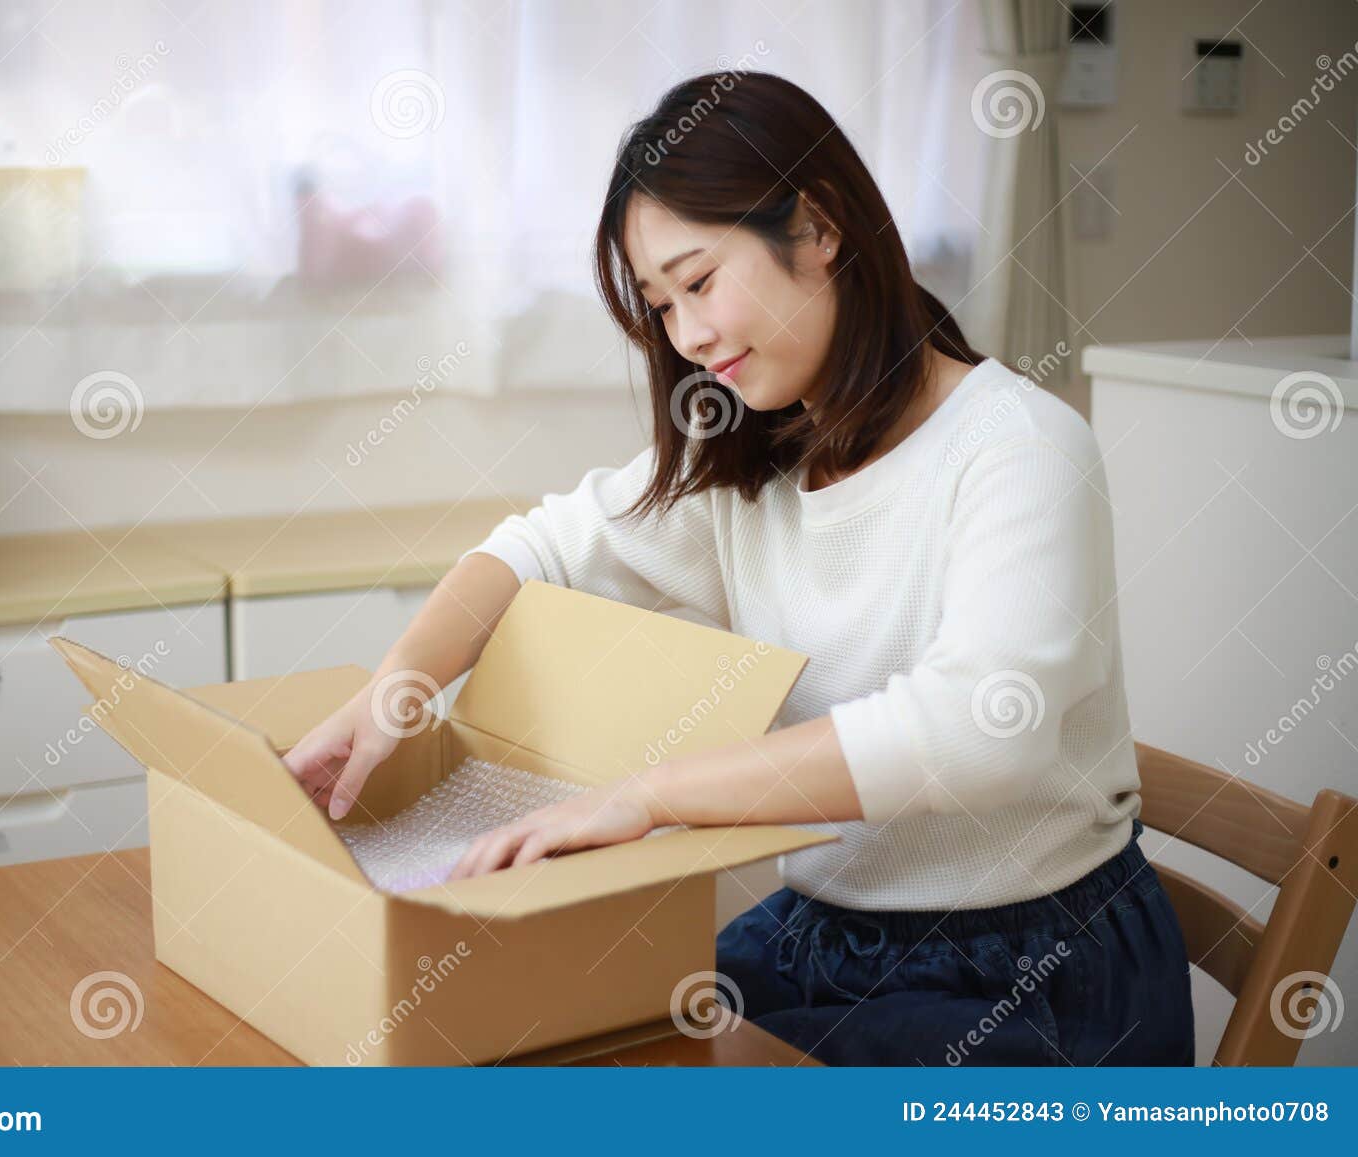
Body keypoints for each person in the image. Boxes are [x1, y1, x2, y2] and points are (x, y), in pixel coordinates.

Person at [281, 71, 1194, 1066]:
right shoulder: (756, 451)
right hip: (826, 931)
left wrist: (651, 794)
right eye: (661, 303)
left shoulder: (1019, 446)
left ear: (818, 227)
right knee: (568, 1044)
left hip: (1027, 971)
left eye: (700, 280)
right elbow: (538, 544)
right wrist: (398, 689)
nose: (689, 335)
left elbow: (982, 730)